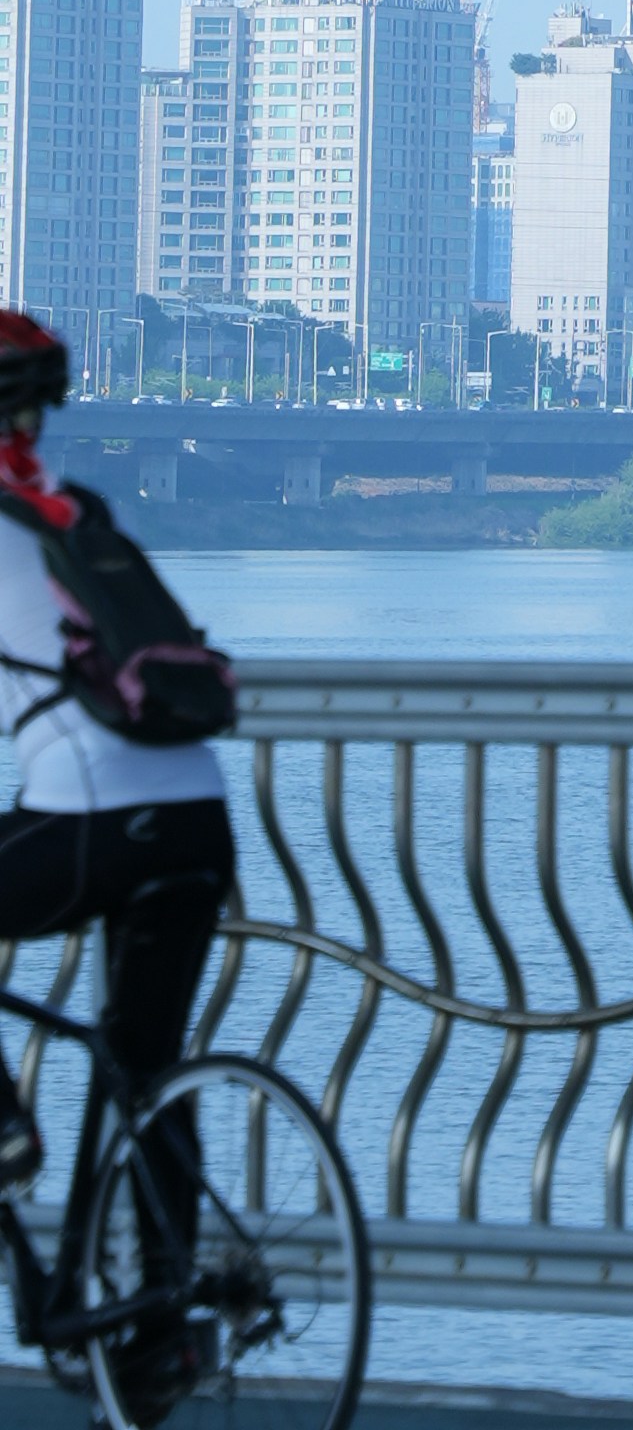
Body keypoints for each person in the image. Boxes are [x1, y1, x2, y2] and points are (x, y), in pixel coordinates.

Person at [0, 312, 232, 1415]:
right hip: (198, 820)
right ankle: (158, 1328)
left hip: (93, 817)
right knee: (146, 1065)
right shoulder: (78, 517)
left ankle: (3, 1124)